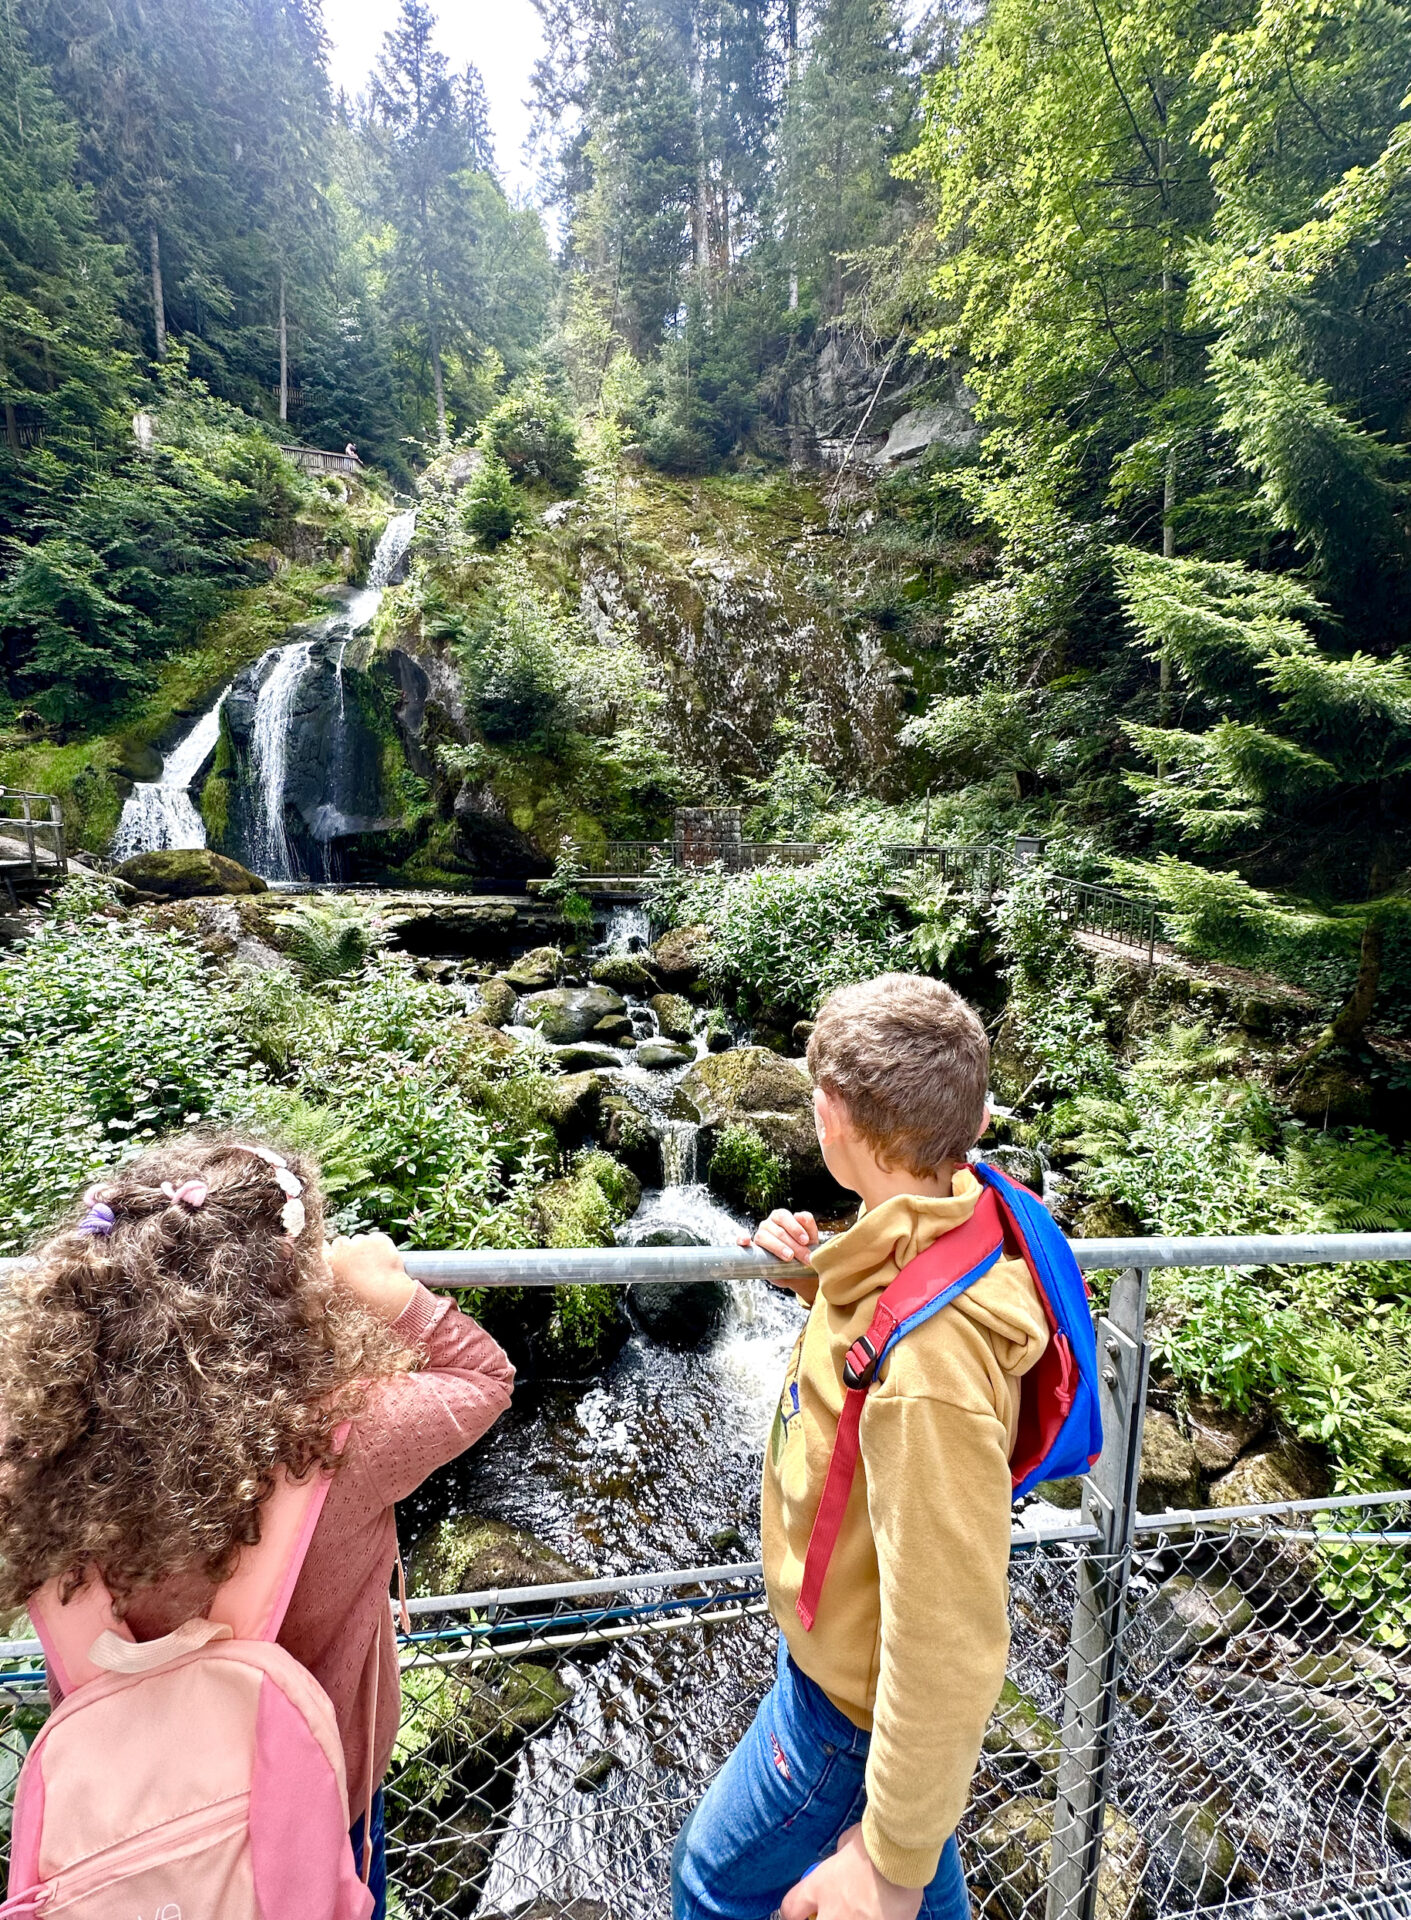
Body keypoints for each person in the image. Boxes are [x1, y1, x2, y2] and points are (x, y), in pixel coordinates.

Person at [0, 1135, 514, 1920]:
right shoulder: (349, 1437)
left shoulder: (32, 1448)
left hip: (118, 1827)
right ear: (290, 1281)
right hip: (313, 1803)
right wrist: (389, 1296)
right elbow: (484, 1377)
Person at [672, 974, 1050, 1920]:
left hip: (844, 1709)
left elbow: (951, 1628)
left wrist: (891, 1858)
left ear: (832, 1116)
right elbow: (882, 1314)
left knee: (712, 1885)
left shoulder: (929, 1375)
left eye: (814, 1099)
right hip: (834, 1666)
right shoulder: (949, 1210)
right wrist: (816, 1273)